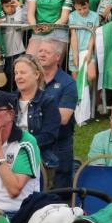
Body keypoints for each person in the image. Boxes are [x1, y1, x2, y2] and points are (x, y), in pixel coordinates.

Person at [32, 39, 78, 189]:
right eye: (40, 51)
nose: (42, 54)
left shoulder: (68, 83)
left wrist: (35, 110)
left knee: (59, 193)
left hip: (59, 147)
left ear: (57, 57)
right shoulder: (31, 80)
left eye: (47, 52)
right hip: (36, 143)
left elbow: (63, 118)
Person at [11, 54, 62, 167]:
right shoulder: (9, 101)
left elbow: (49, 136)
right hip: (9, 155)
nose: (18, 77)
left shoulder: (48, 102)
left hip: (40, 158)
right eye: (16, 73)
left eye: (23, 72)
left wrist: (22, 145)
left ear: (36, 74)